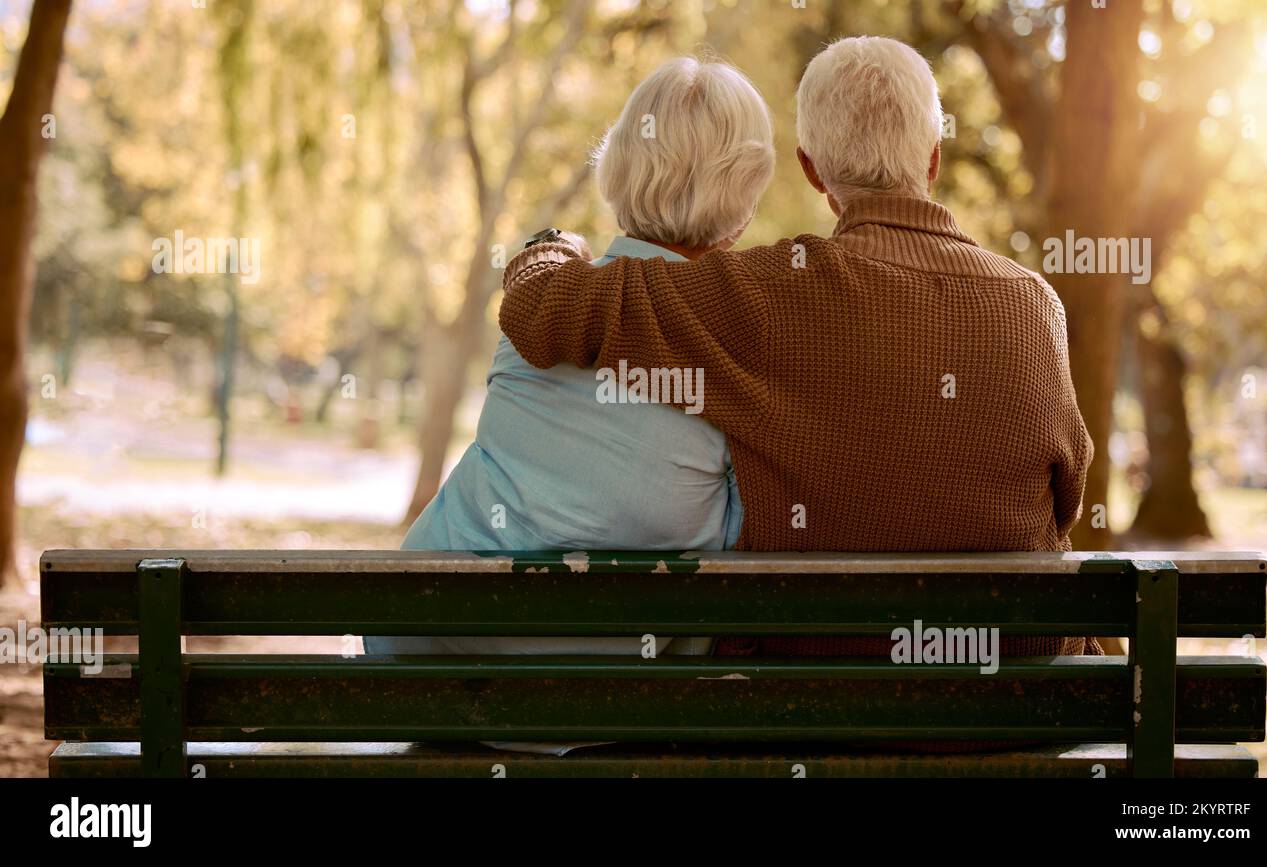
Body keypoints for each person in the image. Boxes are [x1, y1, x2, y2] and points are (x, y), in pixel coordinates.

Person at [499, 36, 1100, 661]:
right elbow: (1067, 493)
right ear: (933, 160)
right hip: (1023, 703)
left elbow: (545, 311)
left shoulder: (770, 292)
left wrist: (549, 247)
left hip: (814, 705)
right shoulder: (1033, 303)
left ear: (811, 169)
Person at [367, 56, 777, 752]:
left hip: (437, 659)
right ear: (745, 195)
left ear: (618, 166)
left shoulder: (542, 306)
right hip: (617, 700)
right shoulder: (745, 345)